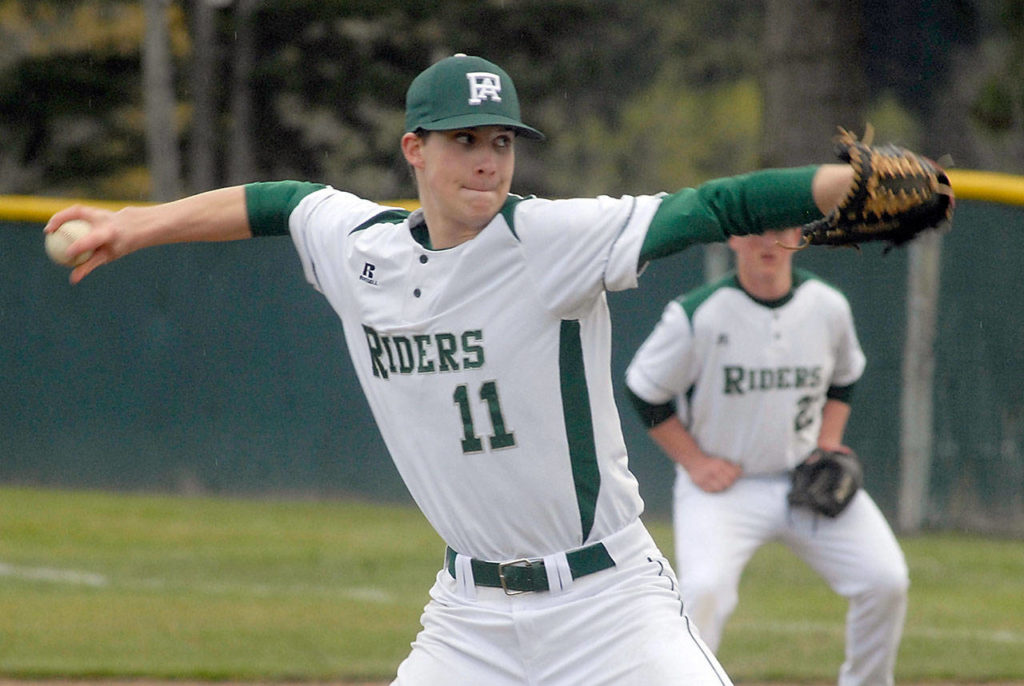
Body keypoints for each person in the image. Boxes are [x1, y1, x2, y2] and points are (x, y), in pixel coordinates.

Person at [48, 53, 864, 685]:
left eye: (501, 141)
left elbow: (712, 208)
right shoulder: (359, 248)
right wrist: (137, 226)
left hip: (607, 602)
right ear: (415, 148)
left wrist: (847, 184)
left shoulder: (549, 242)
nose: (487, 160)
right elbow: (277, 202)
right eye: (465, 140)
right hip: (469, 616)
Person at [624, 225, 910, 686]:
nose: (769, 243)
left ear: (800, 237)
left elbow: (845, 375)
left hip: (807, 478)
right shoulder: (698, 314)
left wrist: (829, 438)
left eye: (783, 230)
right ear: (733, 239)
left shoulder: (827, 305)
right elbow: (644, 389)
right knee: (704, 592)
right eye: (756, 231)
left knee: (885, 579)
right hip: (724, 489)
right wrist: (695, 461)